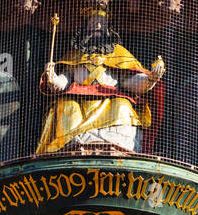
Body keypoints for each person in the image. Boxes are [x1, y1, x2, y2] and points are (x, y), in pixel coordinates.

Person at [37, 11, 165, 154]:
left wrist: (150, 79)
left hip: (110, 96)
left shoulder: (119, 53)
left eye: (102, 24)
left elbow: (129, 81)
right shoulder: (74, 55)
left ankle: (115, 144)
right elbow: (64, 81)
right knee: (66, 106)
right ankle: (70, 145)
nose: (98, 26)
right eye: (93, 24)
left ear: (108, 29)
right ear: (85, 29)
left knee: (123, 106)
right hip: (78, 99)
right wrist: (52, 78)